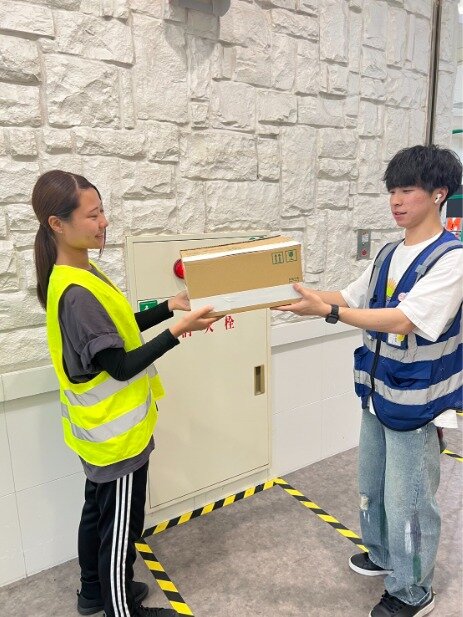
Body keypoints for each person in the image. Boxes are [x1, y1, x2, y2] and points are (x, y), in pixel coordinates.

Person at [276, 145, 462, 617]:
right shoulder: (389, 253)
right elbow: (351, 295)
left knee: (409, 501)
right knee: (372, 487)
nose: (396, 200)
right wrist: (299, 297)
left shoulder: (452, 259)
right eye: (392, 190)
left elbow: (405, 319)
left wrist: (328, 311)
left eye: (408, 190)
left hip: (418, 401)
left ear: (438, 194)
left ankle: (413, 591)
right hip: (378, 391)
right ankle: (382, 555)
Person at [31, 170, 219, 617]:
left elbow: (114, 334)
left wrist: (168, 307)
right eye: (93, 215)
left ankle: (93, 593)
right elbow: (119, 366)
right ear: (58, 224)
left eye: (102, 212)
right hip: (116, 440)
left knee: (98, 515)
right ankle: (121, 608)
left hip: (99, 435)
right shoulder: (76, 292)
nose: (104, 223)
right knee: (119, 528)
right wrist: (179, 330)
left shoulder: (77, 274)